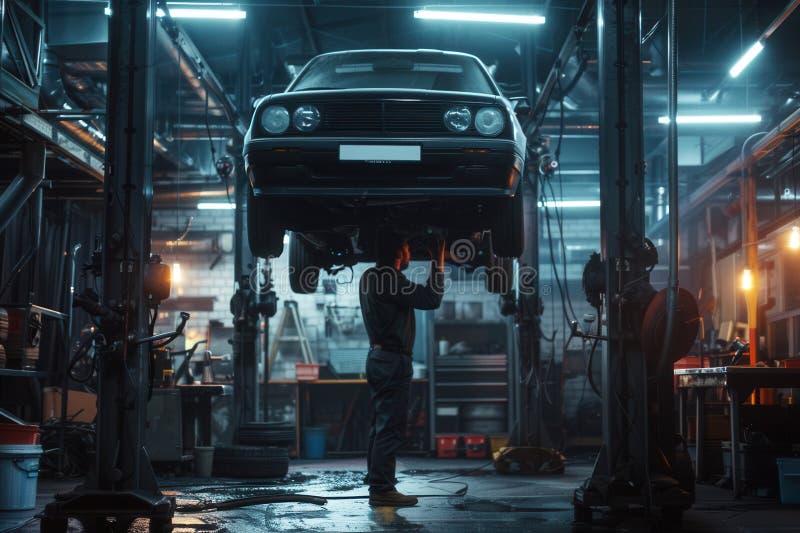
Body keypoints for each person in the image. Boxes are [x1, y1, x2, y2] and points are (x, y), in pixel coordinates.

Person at [359, 232, 445, 507]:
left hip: (377, 358)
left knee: (380, 422)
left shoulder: (370, 277)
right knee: (390, 425)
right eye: (407, 247)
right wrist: (439, 262)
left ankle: (376, 479)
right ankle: (382, 489)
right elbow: (431, 299)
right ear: (399, 252)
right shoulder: (390, 279)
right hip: (393, 361)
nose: (410, 252)